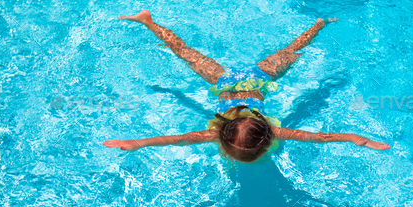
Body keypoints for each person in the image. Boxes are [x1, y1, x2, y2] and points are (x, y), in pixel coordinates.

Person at [103, 10, 390, 162]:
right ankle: (317, 26)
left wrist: (355, 138)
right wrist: (356, 138)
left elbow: (321, 137)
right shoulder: (216, 134)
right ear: (265, 142)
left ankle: (148, 21)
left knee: (186, 51)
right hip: (224, 81)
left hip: (257, 81)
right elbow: (177, 138)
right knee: (186, 52)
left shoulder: (269, 131)